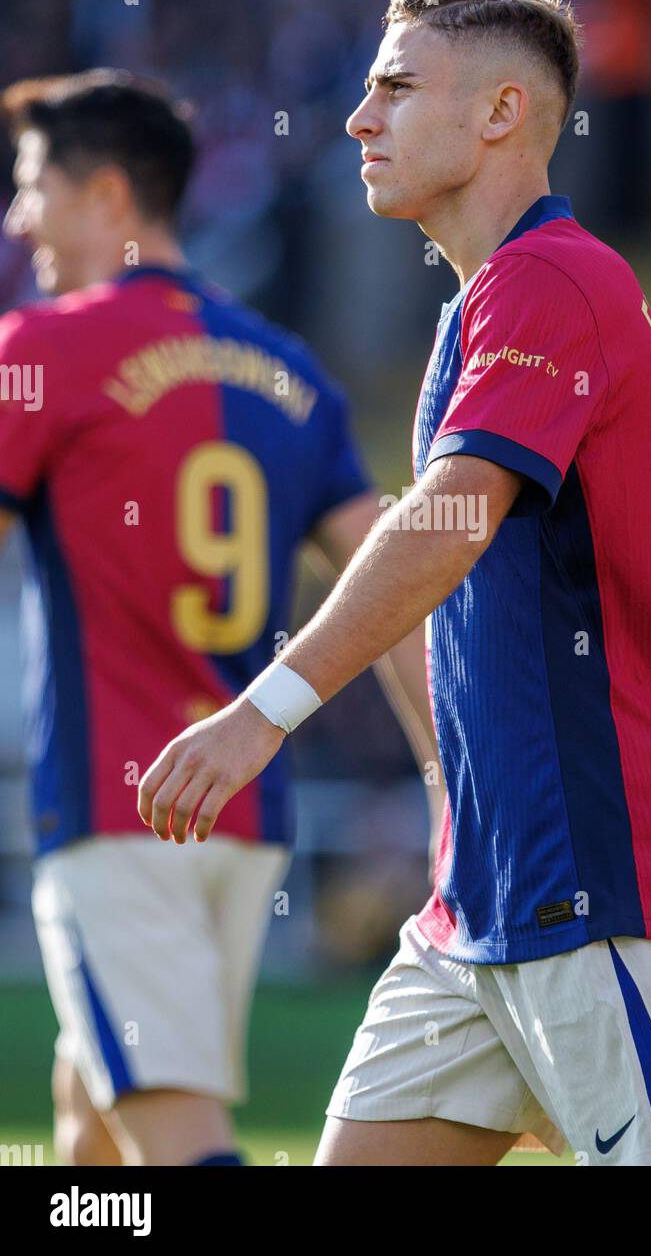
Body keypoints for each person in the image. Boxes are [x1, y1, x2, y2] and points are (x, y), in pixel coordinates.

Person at [139, 0, 651, 1167]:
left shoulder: (552, 278)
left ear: (498, 115)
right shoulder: (482, 305)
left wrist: (263, 712)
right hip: (479, 892)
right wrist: (447, 773)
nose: (356, 118)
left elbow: (449, 519)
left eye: (393, 87)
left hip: (601, 883)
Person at [0, 69, 438, 1166]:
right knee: (91, 1113)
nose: (18, 219)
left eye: (31, 185)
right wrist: (451, 782)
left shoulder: (43, 350)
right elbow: (393, 586)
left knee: (178, 1136)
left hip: (114, 808)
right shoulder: (293, 370)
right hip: (244, 820)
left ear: (106, 197)